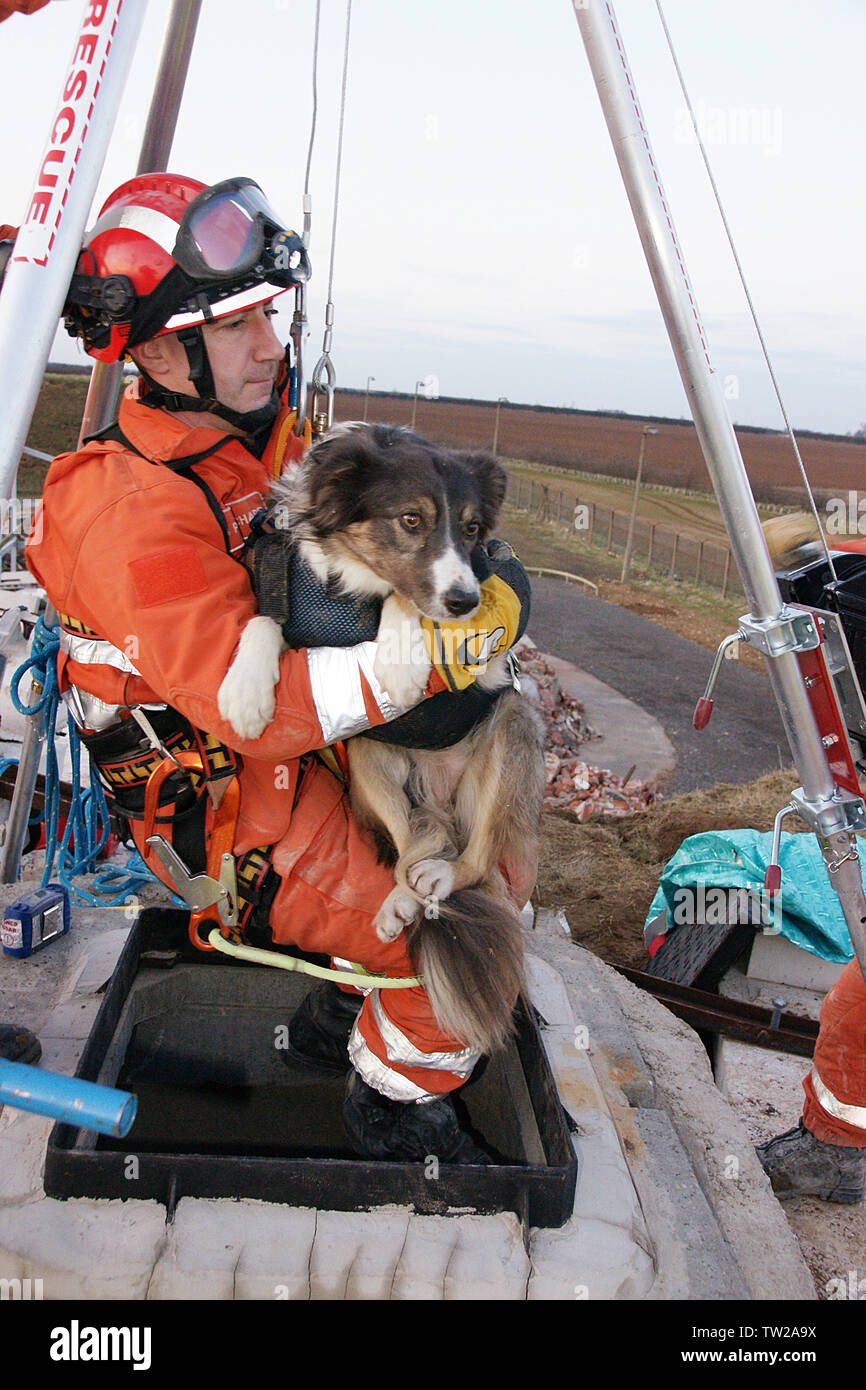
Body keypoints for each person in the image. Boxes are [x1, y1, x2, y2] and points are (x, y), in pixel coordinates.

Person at [23, 172, 530, 1164]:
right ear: (163, 348)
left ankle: (337, 1018)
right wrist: (420, 660)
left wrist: (477, 579)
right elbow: (257, 715)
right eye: (238, 325)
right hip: (230, 816)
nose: (270, 345)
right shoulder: (130, 507)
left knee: (491, 855)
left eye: (270, 315)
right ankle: (392, 1111)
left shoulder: (238, 451)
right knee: (465, 946)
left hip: (297, 769)